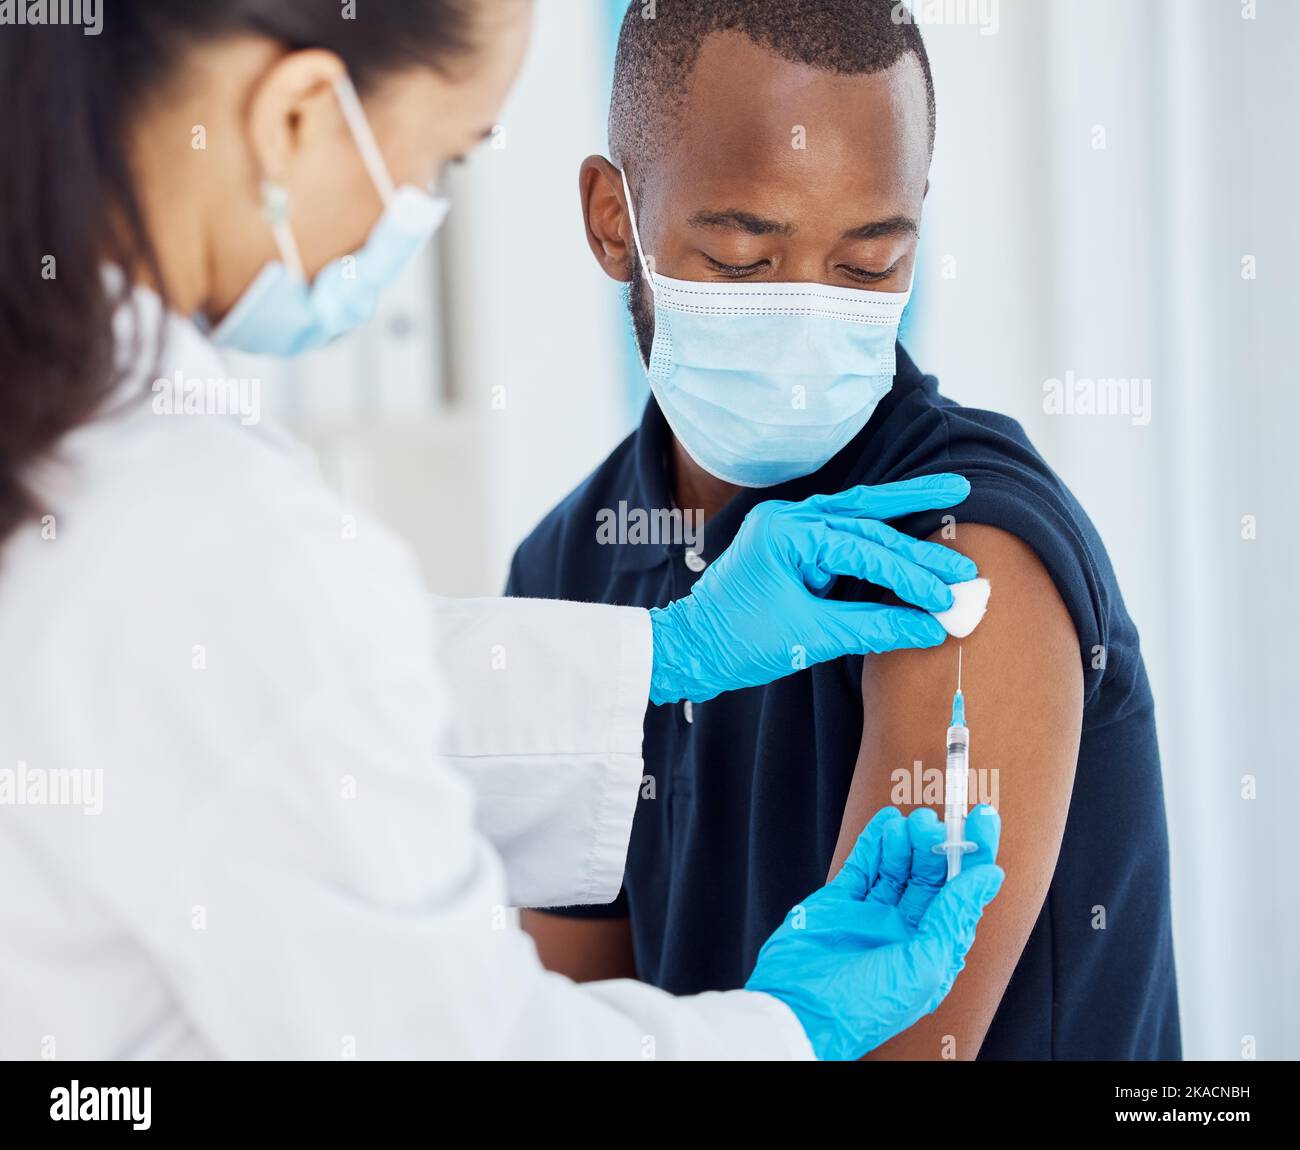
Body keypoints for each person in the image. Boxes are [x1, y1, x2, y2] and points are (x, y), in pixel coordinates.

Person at [0, 0, 1004, 1060]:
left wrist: (668, 653)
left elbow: (240, 698)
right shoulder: (223, 532)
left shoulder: (102, 453)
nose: (417, 205)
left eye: (863, 263)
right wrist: (786, 1030)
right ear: (297, 117)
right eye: (439, 159)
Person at [515, 0, 1180, 1060]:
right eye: (741, 258)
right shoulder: (566, 566)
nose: (807, 315)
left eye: (868, 263)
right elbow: (553, 1030)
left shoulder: (965, 548)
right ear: (612, 219)